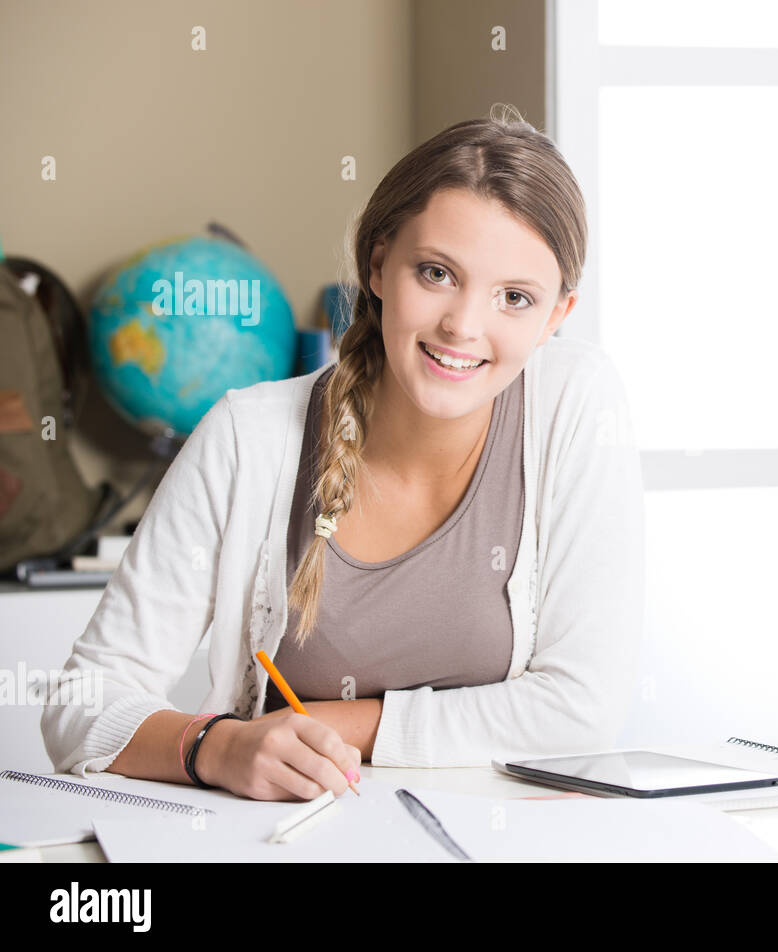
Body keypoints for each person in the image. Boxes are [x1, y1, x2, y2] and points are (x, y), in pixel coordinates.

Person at [41, 104, 645, 801]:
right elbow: (80, 706)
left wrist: (342, 724)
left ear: (555, 319)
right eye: (437, 274)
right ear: (380, 265)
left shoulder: (577, 404)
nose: (463, 327)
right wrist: (217, 745)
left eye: (514, 297)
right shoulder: (248, 438)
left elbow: (582, 711)